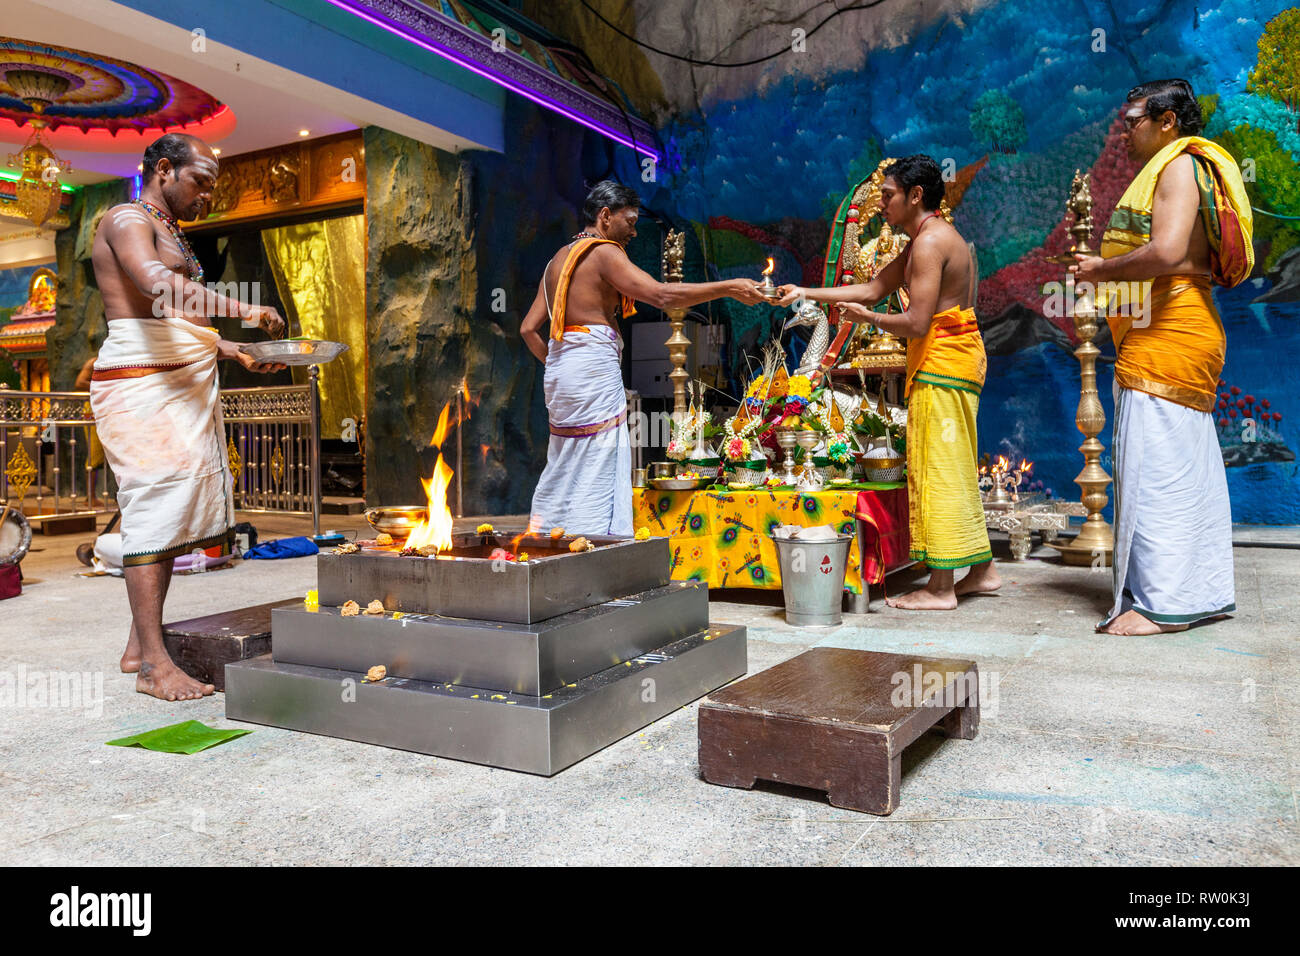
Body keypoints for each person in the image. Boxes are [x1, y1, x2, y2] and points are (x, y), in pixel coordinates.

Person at [89, 132, 286, 701]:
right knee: (155, 505)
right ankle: (154, 666)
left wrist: (232, 349)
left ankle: (137, 646)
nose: (206, 196)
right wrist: (244, 310)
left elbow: (169, 320)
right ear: (166, 170)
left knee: (172, 512)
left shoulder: (169, 226)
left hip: (171, 372)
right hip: (140, 380)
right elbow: (156, 288)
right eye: (200, 182)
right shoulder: (127, 218)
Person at [775, 155, 998, 609]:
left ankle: (940, 589)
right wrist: (807, 292)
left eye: (889, 195)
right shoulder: (921, 241)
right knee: (953, 464)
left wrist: (867, 319)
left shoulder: (932, 242)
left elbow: (915, 323)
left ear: (916, 196)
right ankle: (983, 570)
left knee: (938, 469)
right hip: (950, 360)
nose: (881, 204)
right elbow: (871, 288)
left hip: (944, 363)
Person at [1072, 80, 1253, 636]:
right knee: (1185, 465)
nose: (1125, 130)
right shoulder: (1187, 166)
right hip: (1181, 322)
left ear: (1168, 121)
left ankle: (1161, 603)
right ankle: (1202, 592)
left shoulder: (1177, 168)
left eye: (1133, 119)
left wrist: (1098, 270)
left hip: (1171, 327)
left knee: (1154, 469)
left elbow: (1170, 251)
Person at [520, 181, 765, 536]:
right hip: (589, 368)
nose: (634, 231)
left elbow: (529, 330)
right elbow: (662, 294)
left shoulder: (556, 260)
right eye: (630, 221)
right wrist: (728, 287)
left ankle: (547, 536)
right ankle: (593, 545)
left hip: (561, 373)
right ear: (605, 216)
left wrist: (561, 366)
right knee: (598, 456)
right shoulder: (604, 253)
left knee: (565, 458)